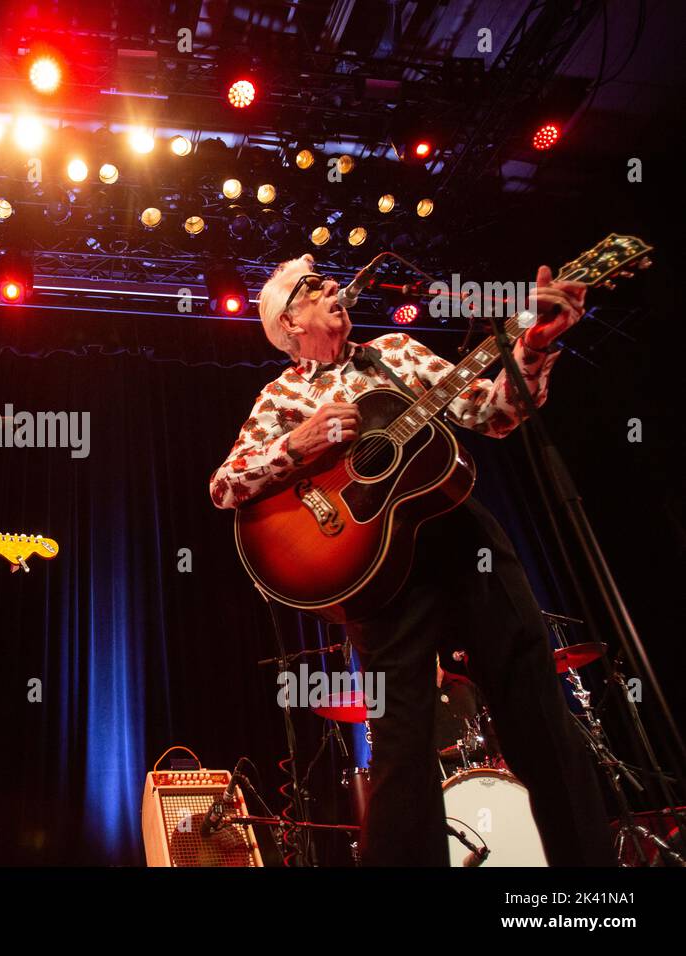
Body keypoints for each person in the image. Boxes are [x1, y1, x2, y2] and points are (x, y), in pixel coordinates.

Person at [210, 255, 614, 865]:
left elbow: (492, 414)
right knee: (401, 745)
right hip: (375, 577)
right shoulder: (282, 395)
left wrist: (531, 345)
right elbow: (225, 486)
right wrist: (298, 443)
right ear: (290, 322)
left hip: (460, 543)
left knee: (539, 715)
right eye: (314, 287)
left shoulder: (395, 350)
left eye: (329, 281)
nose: (333, 289)